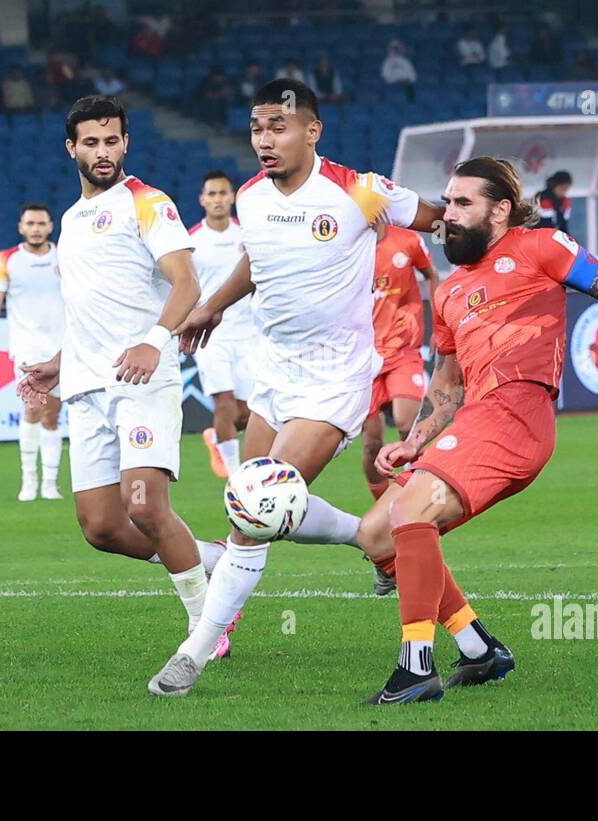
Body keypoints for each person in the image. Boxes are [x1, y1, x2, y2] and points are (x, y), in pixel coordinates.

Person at [352, 157, 598, 704]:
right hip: (480, 417)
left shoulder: (542, 247)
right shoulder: (451, 292)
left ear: (501, 209)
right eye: (448, 201)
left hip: (518, 413)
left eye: (464, 203)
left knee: (409, 512)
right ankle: (479, 648)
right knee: (375, 536)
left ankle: (416, 667)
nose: (448, 215)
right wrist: (416, 440)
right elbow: (448, 377)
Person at [147, 79, 447, 697]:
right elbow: (257, 263)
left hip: (334, 380)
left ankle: (195, 650)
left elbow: (441, 219)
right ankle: (369, 536)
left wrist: (502, 232)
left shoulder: (360, 191)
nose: (264, 139)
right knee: (249, 501)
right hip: (273, 375)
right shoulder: (253, 198)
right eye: (257, 128)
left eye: (278, 127)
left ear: (312, 131)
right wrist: (210, 307)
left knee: (253, 513)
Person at [15, 96, 235, 659]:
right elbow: (90, 314)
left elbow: (185, 285)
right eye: (91, 142)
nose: (103, 151)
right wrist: (57, 367)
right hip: (87, 389)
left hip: (145, 380)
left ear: (126, 143)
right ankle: (211, 558)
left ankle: (207, 627)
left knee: (143, 505)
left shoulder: (147, 202)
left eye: (112, 140)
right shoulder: (68, 220)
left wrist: (153, 342)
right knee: (102, 528)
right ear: (72, 149)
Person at [0, 204, 66, 499]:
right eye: (30, 223)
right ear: (21, 227)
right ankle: (28, 479)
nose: (36, 228)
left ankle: (50, 483)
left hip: (63, 348)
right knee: (32, 408)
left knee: (53, 414)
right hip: (28, 347)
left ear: (50, 226)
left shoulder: (65, 255)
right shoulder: (7, 260)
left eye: (41, 223)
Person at [362, 223, 439, 507]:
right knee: (371, 443)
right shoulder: (347, 245)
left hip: (403, 350)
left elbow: (431, 274)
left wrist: (439, 324)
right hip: (362, 356)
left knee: (408, 425)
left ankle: (415, 499)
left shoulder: (407, 241)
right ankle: (382, 506)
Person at [189, 171, 254, 479]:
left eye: (222, 193)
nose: (217, 199)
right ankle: (236, 477)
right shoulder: (192, 242)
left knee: (246, 413)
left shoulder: (247, 235)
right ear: (202, 199)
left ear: (232, 197)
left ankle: (216, 438)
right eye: (211, 194)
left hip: (249, 332)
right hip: (211, 336)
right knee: (224, 403)